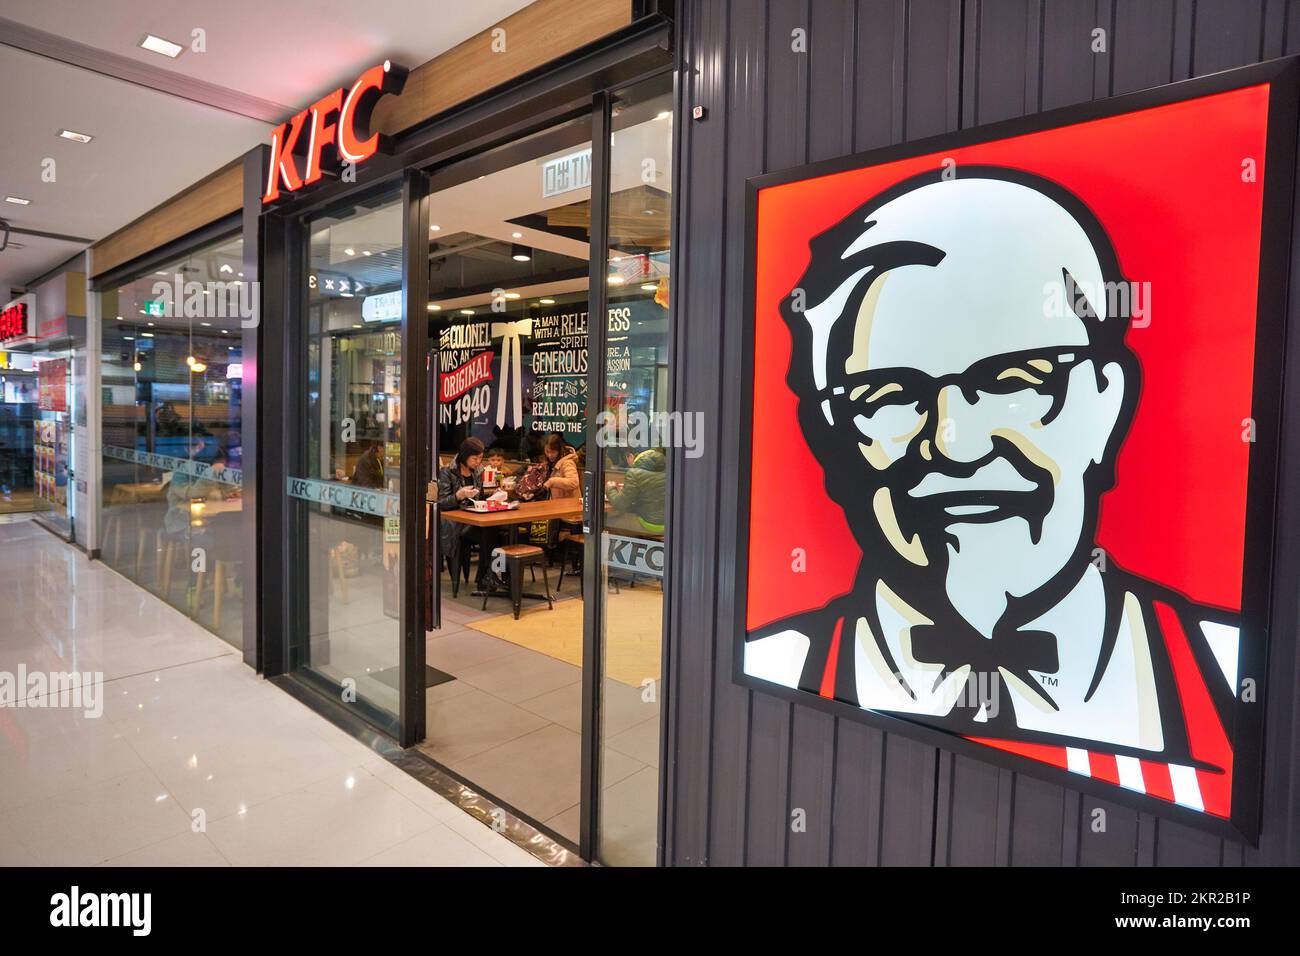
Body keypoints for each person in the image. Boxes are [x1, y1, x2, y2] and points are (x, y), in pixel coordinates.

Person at [743, 167, 1239, 819]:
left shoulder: (1231, 680)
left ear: (1105, 404)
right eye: (890, 394)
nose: (955, 442)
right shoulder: (776, 665)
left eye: (1016, 378)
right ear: (835, 439)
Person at [434, 437, 502, 593]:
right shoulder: (447, 472)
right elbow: (442, 503)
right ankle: (487, 577)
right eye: (475, 458)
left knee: (495, 531)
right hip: (454, 523)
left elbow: (479, 497)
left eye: (480, 457)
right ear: (464, 456)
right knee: (489, 533)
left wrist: (494, 495)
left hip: (474, 518)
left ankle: (488, 576)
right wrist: (459, 496)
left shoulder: (478, 471)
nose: (478, 461)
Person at [607, 448, 666, 532]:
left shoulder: (634, 473)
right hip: (669, 524)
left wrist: (610, 488)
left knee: (607, 522)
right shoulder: (668, 470)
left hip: (649, 524)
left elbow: (620, 503)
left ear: (630, 456)